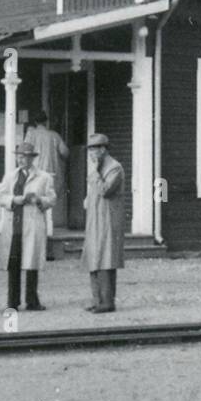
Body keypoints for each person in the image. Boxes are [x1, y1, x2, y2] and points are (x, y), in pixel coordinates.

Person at [0, 141, 56, 311]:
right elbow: (0, 197)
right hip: (14, 226)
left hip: (32, 224)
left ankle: (32, 300)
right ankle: (12, 301)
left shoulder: (44, 177)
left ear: (32, 159)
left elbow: (52, 198)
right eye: (19, 157)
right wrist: (14, 200)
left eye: (25, 157)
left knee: (31, 263)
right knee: (13, 263)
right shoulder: (10, 176)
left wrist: (39, 200)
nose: (22, 160)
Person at [81, 133, 124, 313]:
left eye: (94, 149)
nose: (91, 153)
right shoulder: (97, 168)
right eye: (89, 149)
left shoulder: (114, 168)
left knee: (105, 256)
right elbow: (94, 193)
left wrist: (95, 176)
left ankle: (107, 301)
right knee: (93, 255)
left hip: (107, 217)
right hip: (94, 217)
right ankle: (97, 299)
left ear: (104, 149)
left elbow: (105, 191)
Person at [27, 111, 69, 227]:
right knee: (51, 198)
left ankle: (41, 226)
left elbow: (25, 151)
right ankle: (54, 225)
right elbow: (65, 153)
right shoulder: (54, 135)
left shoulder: (31, 135)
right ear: (46, 121)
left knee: (37, 199)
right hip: (52, 172)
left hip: (36, 173)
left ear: (35, 122)